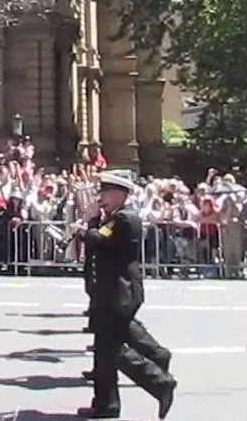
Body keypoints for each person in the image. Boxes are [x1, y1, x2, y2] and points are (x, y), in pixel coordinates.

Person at [73, 174, 176, 419]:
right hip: (110, 291)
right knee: (104, 349)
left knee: (111, 349)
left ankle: (159, 382)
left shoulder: (124, 218)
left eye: (106, 193)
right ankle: (106, 404)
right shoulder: (115, 218)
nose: (101, 198)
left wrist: (87, 225)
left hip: (119, 291)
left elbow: (100, 240)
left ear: (120, 193)